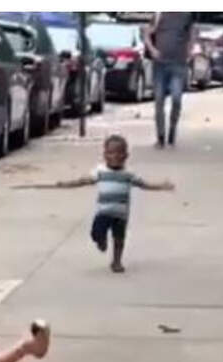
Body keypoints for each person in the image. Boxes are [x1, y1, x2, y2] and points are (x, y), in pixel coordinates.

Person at [14, 134, 174, 273]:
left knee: (119, 239)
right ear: (105, 155)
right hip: (103, 212)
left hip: (121, 214)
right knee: (96, 232)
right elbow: (83, 181)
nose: (115, 156)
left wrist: (161, 186)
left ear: (126, 155)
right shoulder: (100, 171)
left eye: (119, 153)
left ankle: (116, 261)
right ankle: (101, 241)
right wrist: (66, 183)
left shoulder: (129, 174)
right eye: (111, 153)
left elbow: (144, 184)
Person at [143, 12, 194, 149]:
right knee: (159, 100)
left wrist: (189, 52)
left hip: (178, 64)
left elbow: (191, 37)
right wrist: (152, 50)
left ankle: (172, 130)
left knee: (176, 98)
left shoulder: (185, 16)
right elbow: (147, 33)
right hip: (160, 64)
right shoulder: (159, 14)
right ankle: (160, 137)